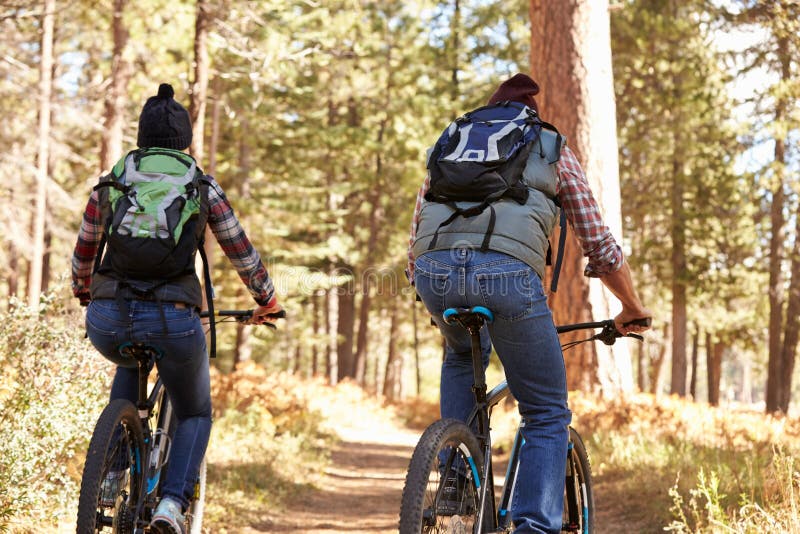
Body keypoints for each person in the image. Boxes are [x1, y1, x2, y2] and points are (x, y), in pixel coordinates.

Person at [407, 73, 651, 533]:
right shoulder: (547, 144)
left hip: (434, 273)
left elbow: (420, 222)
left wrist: (422, 281)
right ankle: (535, 526)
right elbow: (598, 243)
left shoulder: (453, 144)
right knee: (545, 410)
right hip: (509, 276)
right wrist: (630, 306)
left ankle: (456, 480)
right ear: (528, 115)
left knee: (460, 354)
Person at [71, 83, 282, 534]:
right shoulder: (199, 184)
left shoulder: (116, 178)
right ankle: (171, 504)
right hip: (173, 318)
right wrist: (266, 300)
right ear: (185, 141)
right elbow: (240, 250)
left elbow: (86, 245)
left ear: (142, 137)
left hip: (108, 317)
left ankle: (108, 477)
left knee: (128, 361)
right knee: (194, 412)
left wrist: (84, 291)